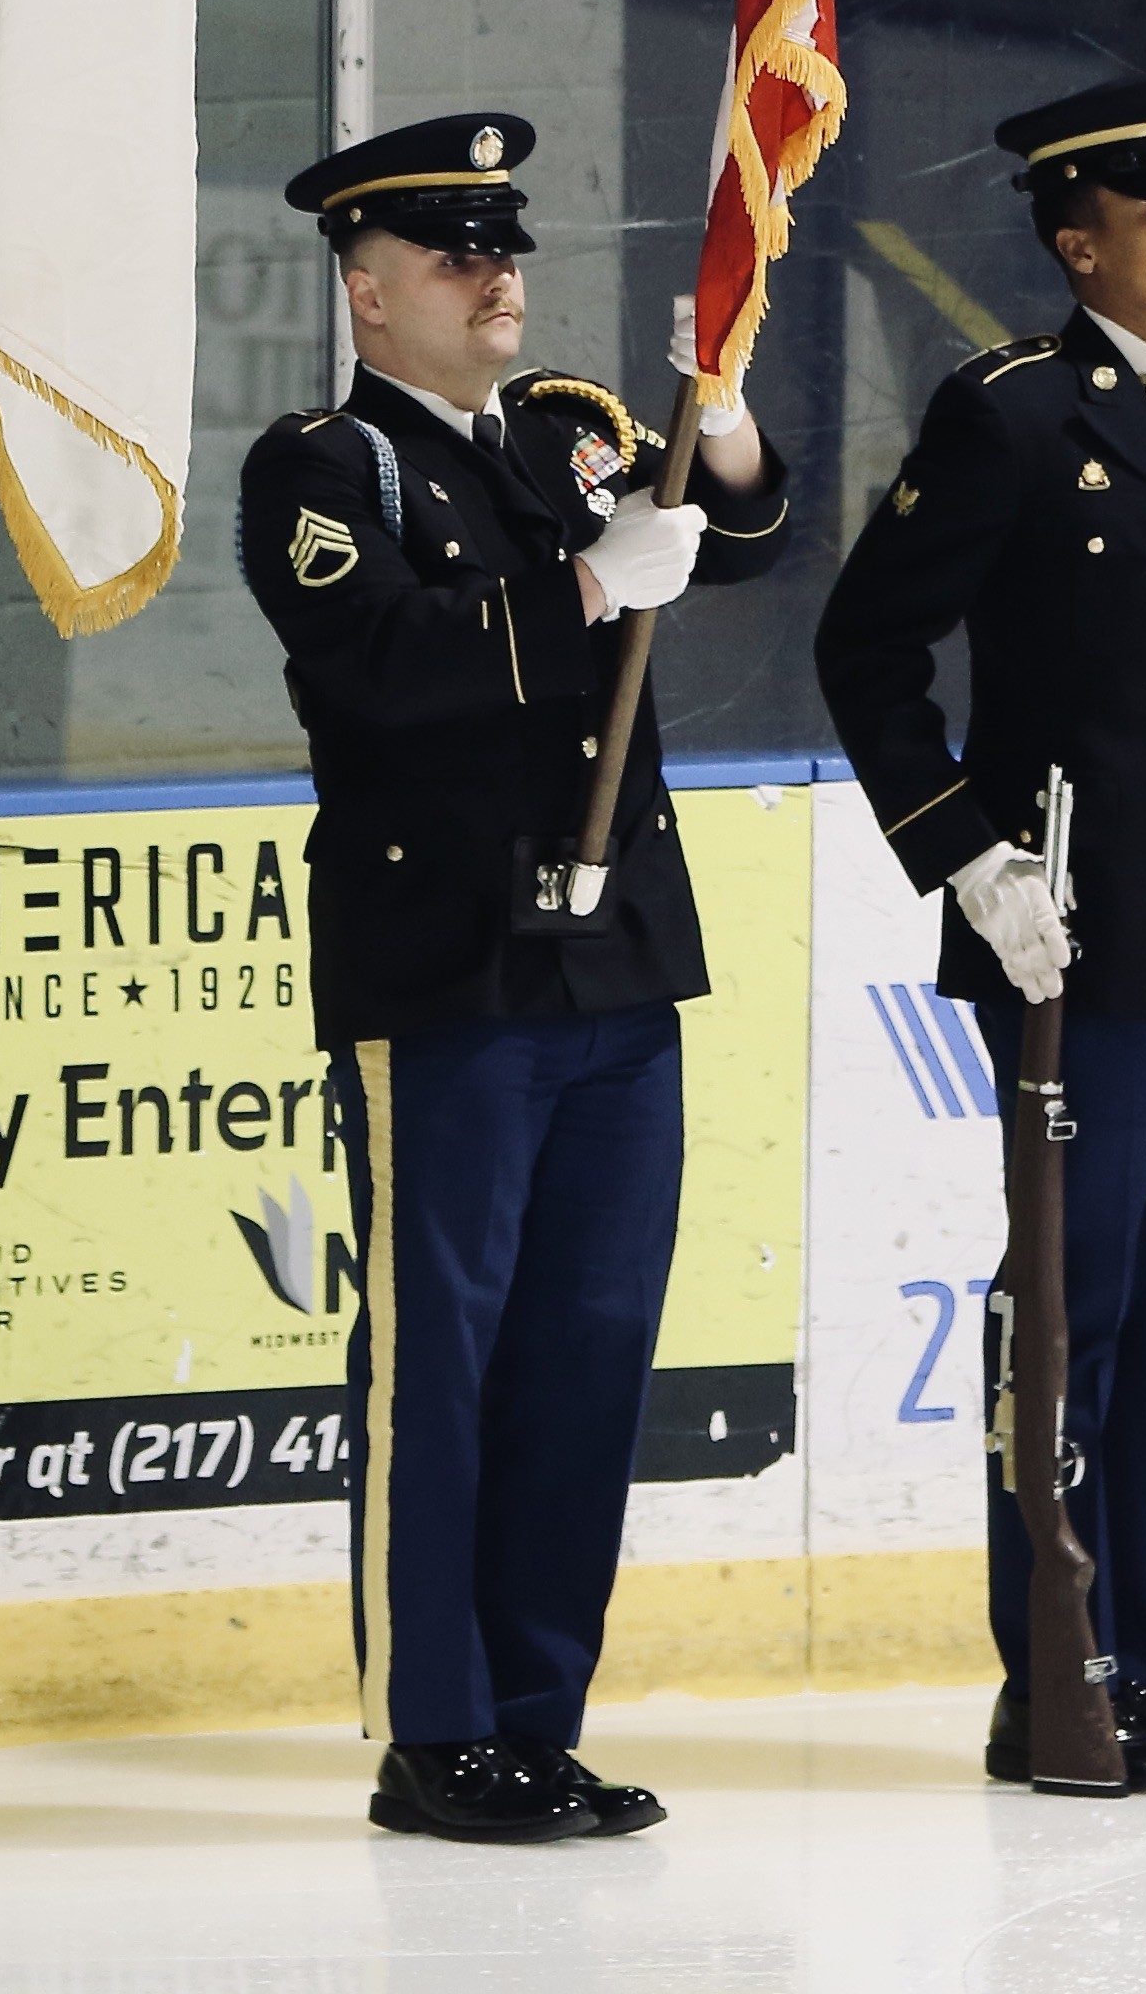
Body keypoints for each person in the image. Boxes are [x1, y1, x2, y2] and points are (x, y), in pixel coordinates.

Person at [236, 113, 791, 1846]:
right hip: (450, 971)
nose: (496, 276)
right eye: (453, 251)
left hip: (614, 960)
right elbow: (383, 667)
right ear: (365, 289)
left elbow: (741, 539)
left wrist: (724, 426)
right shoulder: (324, 466)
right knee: (443, 1357)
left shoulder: (562, 430)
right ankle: (437, 1730)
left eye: (503, 246)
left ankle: (538, 1716)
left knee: (589, 1347)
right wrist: (581, 589)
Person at [816, 66, 1146, 1796]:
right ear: (1081, 244)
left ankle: (1133, 1671)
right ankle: (1054, 1675)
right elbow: (866, 649)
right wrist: (968, 856)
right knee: (1070, 1310)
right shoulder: (1011, 415)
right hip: (1064, 948)